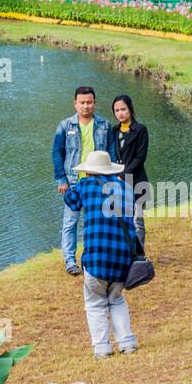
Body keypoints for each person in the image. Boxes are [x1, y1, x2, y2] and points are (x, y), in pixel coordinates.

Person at [62, 150, 139, 358]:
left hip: (96, 259)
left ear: (89, 171)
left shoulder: (85, 186)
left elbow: (70, 200)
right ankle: (127, 343)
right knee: (116, 299)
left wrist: (80, 181)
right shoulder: (126, 188)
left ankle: (102, 348)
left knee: (95, 303)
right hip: (123, 258)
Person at [53, 86, 112, 275]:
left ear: (95, 103)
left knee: (94, 222)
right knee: (70, 222)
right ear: (75, 104)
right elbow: (57, 152)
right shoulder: (65, 126)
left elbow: (111, 152)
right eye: (82, 103)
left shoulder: (104, 125)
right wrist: (61, 179)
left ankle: (90, 259)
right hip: (73, 182)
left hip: (98, 181)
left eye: (89, 102)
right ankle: (70, 261)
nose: (85, 106)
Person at [109, 94, 150, 245]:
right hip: (117, 183)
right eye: (117, 110)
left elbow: (140, 157)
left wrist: (123, 175)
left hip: (137, 180)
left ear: (130, 109)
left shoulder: (140, 130)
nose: (120, 113)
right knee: (120, 221)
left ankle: (139, 254)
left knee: (137, 220)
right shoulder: (113, 131)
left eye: (123, 109)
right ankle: (125, 253)